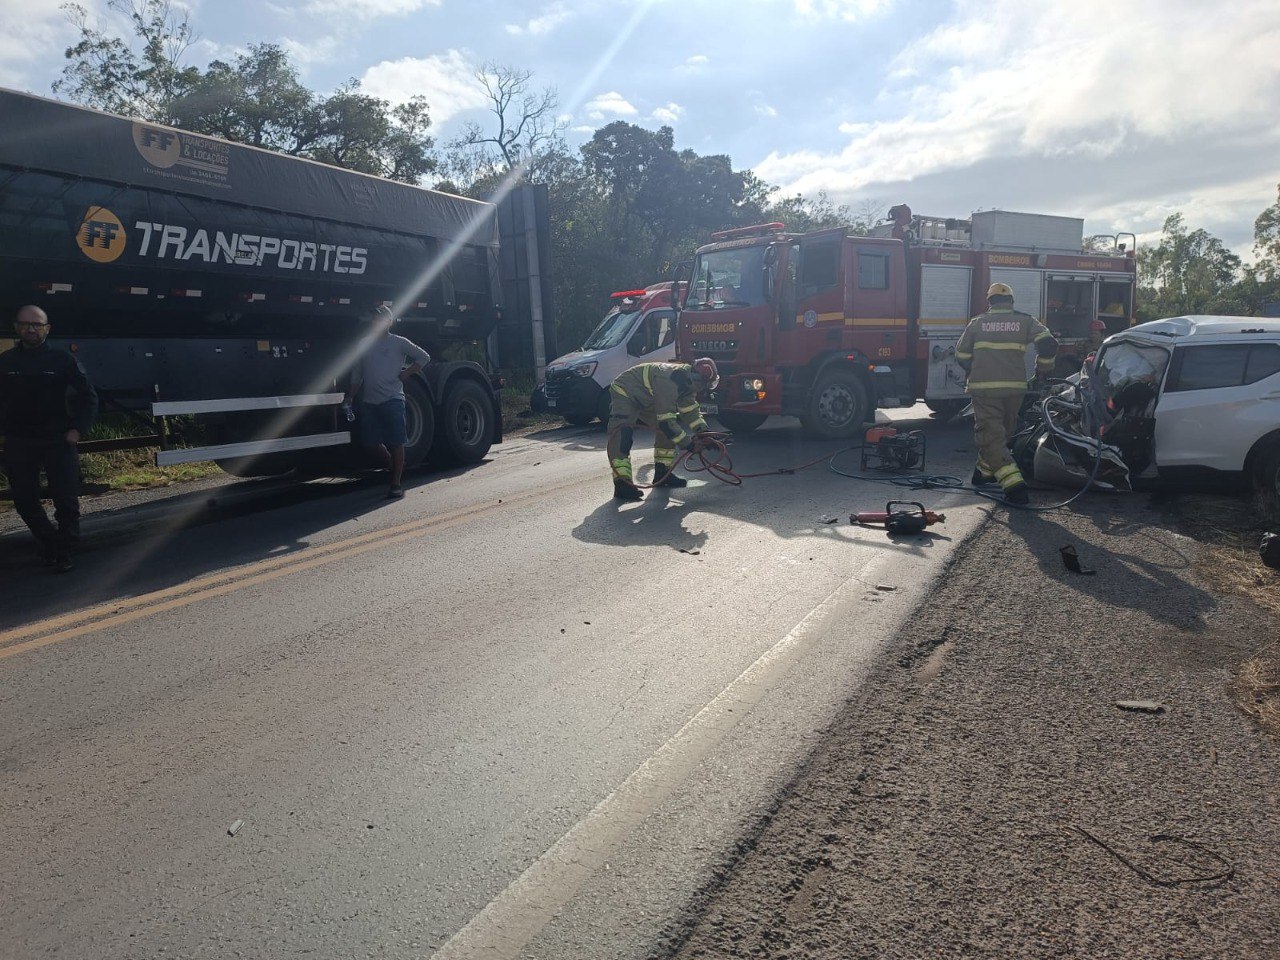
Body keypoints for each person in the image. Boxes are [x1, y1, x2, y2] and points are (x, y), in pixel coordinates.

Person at [0, 305, 98, 571]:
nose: (31, 328)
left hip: (58, 439)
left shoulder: (63, 360)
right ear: (17, 328)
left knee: (65, 500)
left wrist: (78, 430)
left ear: (47, 328)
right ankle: (51, 543)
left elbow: (88, 397)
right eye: (25, 324)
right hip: (20, 441)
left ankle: (64, 552)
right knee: (23, 500)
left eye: (37, 324)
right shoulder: (5, 362)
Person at [955, 283, 1058, 505]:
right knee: (1002, 433)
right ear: (1011, 301)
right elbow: (1049, 344)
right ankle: (983, 473)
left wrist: (976, 368)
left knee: (992, 435)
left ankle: (1014, 485)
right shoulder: (1025, 321)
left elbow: (961, 355)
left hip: (984, 390)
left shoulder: (977, 323)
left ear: (989, 302)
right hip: (1014, 389)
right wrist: (1042, 372)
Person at [343, 305, 431, 500]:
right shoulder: (364, 344)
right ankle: (392, 463)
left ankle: (396, 483)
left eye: (382, 319)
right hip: (370, 401)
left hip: (393, 399)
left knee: (396, 441)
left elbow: (424, 357)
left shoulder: (399, 342)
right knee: (370, 442)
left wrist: (407, 373)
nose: (378, 322)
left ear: (389, 322)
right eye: (375, 319)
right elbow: (357, 374)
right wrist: (350, 395)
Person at [606, 358, 719, 501]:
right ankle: (622, 483)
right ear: (699, 380)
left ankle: (662, 473)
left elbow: (690, 411)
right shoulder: (669, 381)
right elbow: (666, 422)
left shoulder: (687, 384)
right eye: (706, 385)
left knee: (668, 433)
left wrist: (704, 432)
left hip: (647, 397)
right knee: (622, 435)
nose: (704, 389)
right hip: (625, 391)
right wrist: (689, 445)